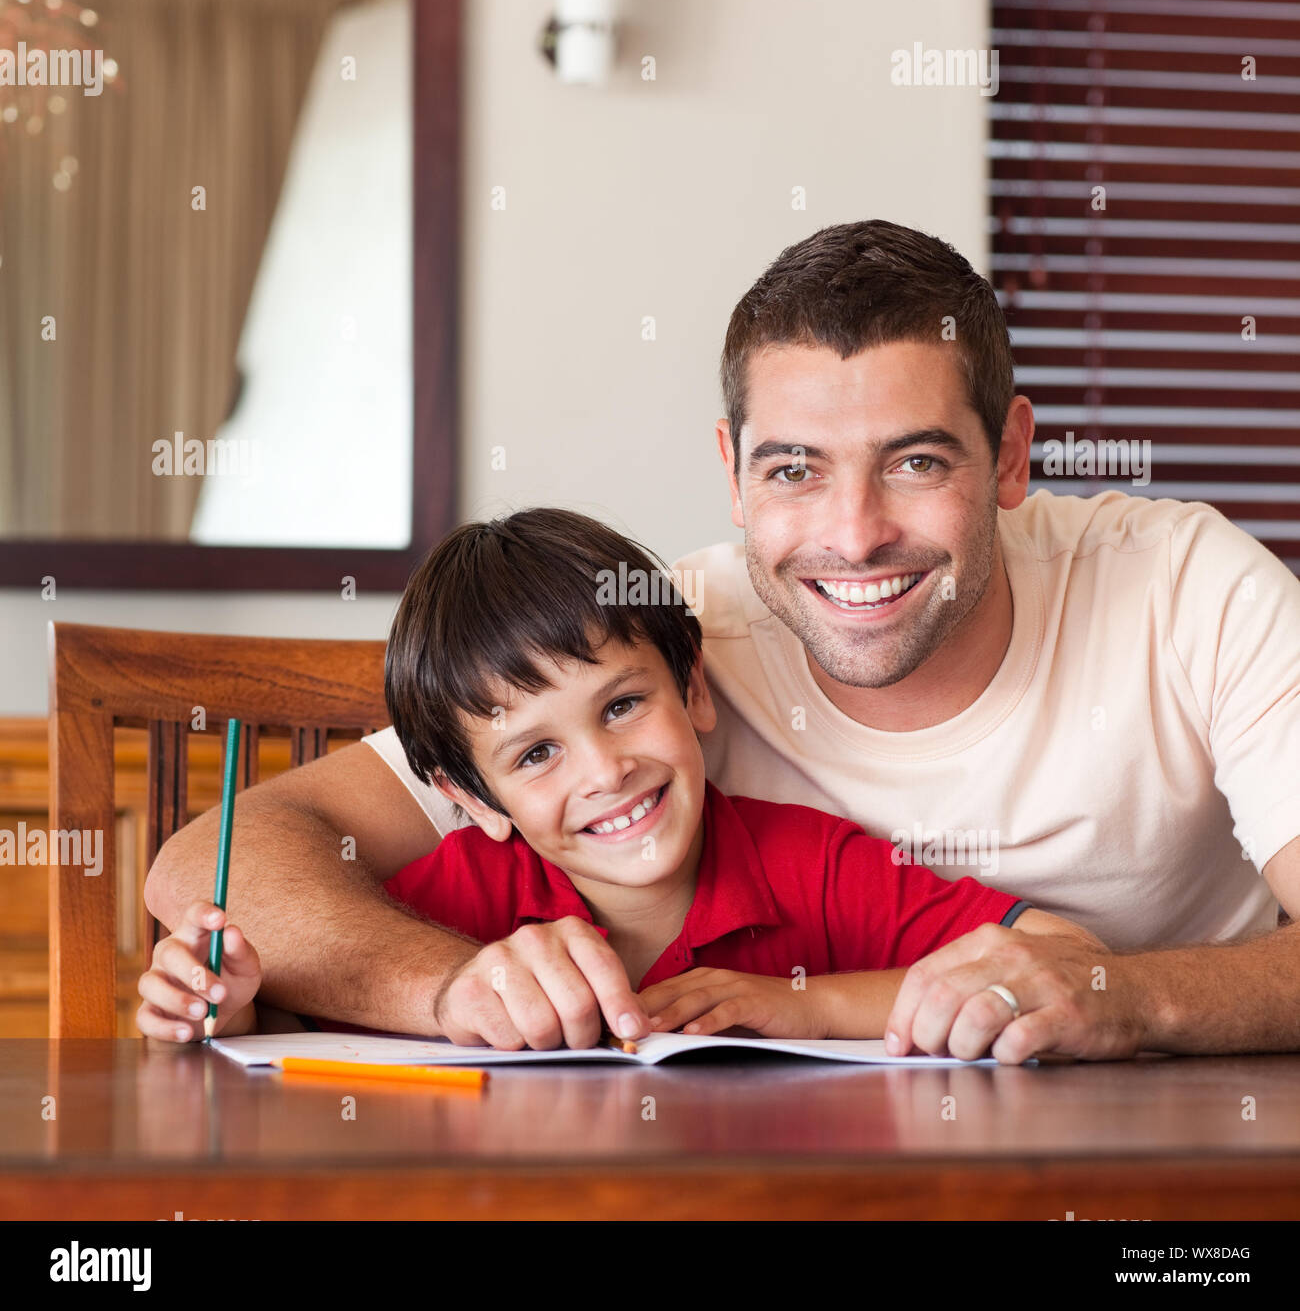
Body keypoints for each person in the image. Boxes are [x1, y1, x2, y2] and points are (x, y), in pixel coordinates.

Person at [145, 219, 1300, 1063]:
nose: (853, 536)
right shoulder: (642, 634)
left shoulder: (1187, 584)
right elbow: (211, 867)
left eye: (916, 460)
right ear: (733, 475)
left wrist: (1124, 995)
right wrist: (454, 985)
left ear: (1006, 455)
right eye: (794, 469)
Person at [137, 509, 1098, 1049]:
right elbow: (293, 1021)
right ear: (472, 800)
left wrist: (804, 1005)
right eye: (536, 754)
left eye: (623, 705)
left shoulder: (816, 863)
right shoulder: (453, 905)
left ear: (693, 690)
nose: (607, 769)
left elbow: (1063, 954)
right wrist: (227, 1001)